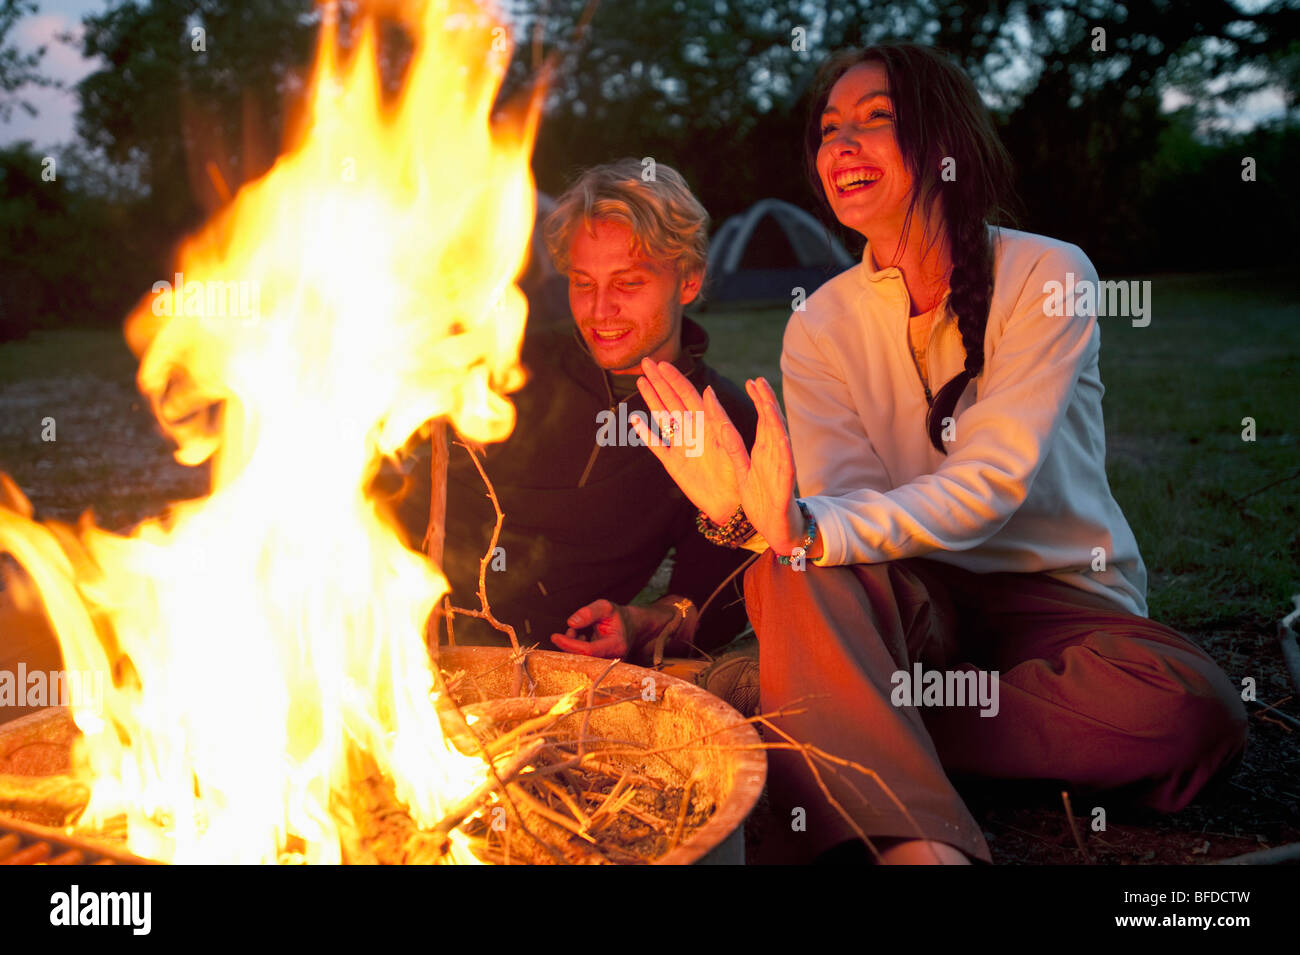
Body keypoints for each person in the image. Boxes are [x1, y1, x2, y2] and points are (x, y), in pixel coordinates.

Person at [632, 43, 1247, 864]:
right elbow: (834, 518)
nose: (841, 145)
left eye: (876, 120)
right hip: (913, 601)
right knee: (792, 568)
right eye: (828, 129)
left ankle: (822, 718)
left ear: (945, 140)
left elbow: (989, 483)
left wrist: (806, 533)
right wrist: (744, 515)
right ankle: (918, 841)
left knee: (1193, 710)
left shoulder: (1047, 274)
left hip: (1057, 609)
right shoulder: (819, 323)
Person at [402, 159, 758, 666]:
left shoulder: (720, 420)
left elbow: (710, 604)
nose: (599, 310)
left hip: (534, 669)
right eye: (583, 282)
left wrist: (639, 624)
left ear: (689, 281)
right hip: (387, 614)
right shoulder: (512, 364)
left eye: (628, 283)